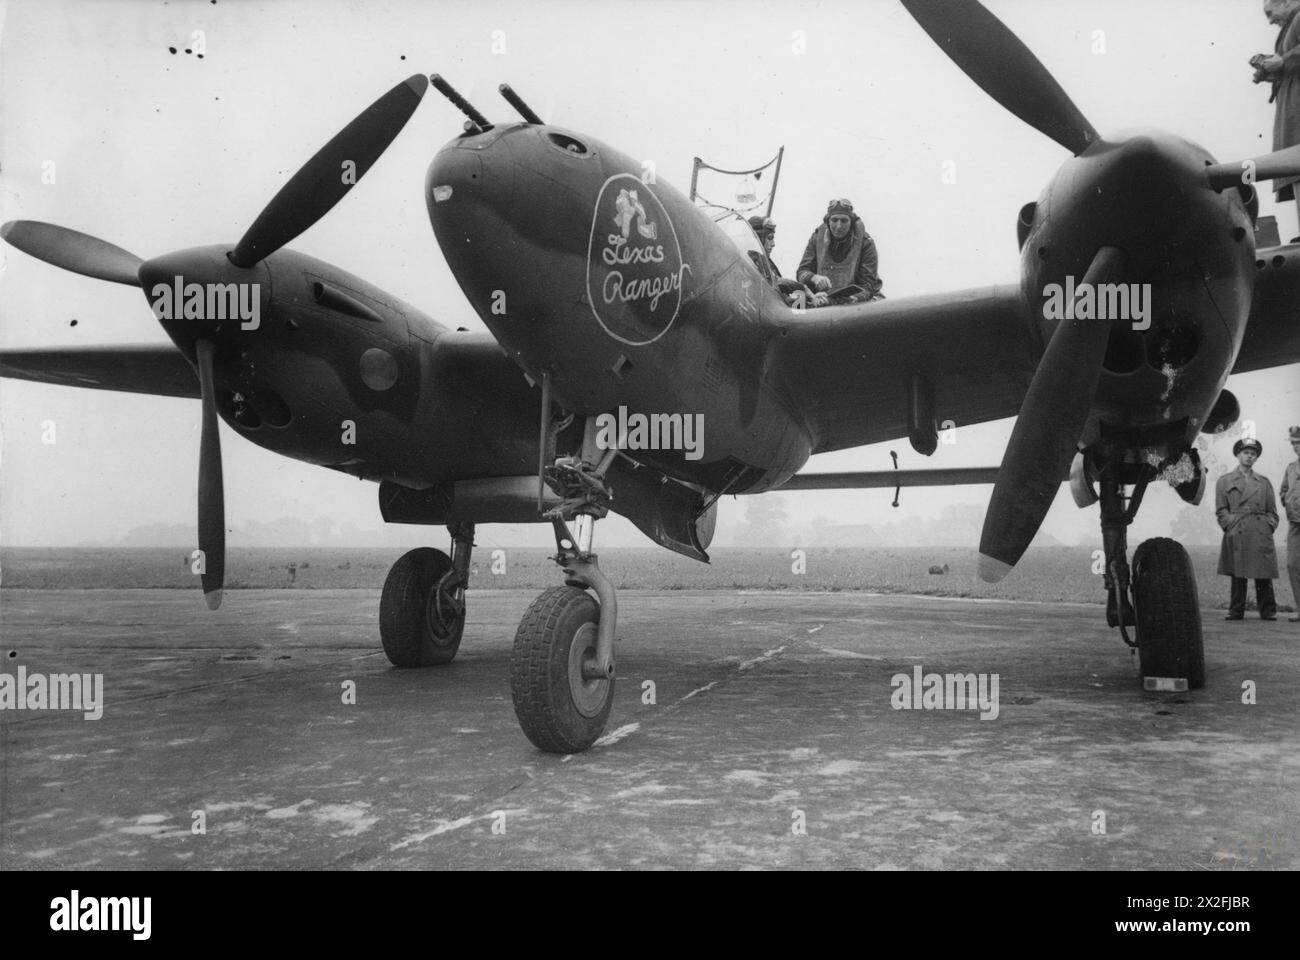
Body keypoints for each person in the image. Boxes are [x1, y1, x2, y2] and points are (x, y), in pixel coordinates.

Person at [1216, 438, 1280, 621]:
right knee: (1238, 571)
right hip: (1238, 529)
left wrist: (1268, 526)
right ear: (1238, 455)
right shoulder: (1225, 481)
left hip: (1260, 530)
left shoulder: (1264, 482)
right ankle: (1236, 611)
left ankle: (1268, 611)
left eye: (1253, 454)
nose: (1249, 457)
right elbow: (1221, 509)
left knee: (1263, 573)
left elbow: (1272, 512)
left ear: (1256, 458)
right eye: (1246, 453)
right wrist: (1230, 524)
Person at [1252, 0, 1300, 229]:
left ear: (1287, 2)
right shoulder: (1291, 26)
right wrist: (1271, 72)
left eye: (1270, 13)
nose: (1270, 20)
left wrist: (1282, 61)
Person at [796, 199, 884, 306]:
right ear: (828, 221)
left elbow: (868, 286)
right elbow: (801, 273)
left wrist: (855, 298)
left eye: (844, 221)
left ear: (851, 222)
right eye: (834, 220)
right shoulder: (817, 238)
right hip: (823, 299)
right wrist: (815, 278)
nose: (838, 226)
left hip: (858, 302)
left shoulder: (866, 242)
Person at [1281, 425, 1300, 621]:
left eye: (1299, 443)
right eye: (1294, 443)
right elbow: (1283, 489)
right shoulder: (1291, 468)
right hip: (1295, 523)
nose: (1297, 447)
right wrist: (1287, 500)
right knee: (1293, 565)